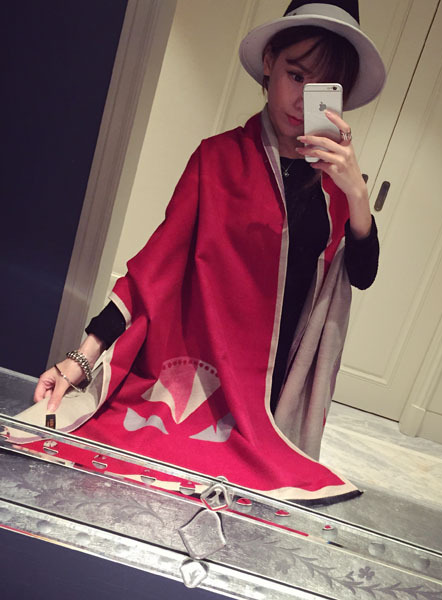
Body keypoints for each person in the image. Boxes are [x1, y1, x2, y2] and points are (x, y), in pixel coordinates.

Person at [22, 0, 387, 503]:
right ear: (268, 62)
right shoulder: (216, 159)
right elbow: (154, 267)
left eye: (322, 87)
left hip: (276, 393)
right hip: (204, 386)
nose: (302, 99)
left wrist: (357, 194)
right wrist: (80, 360)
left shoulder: (336, 186)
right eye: (295, 75)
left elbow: (362, 274)